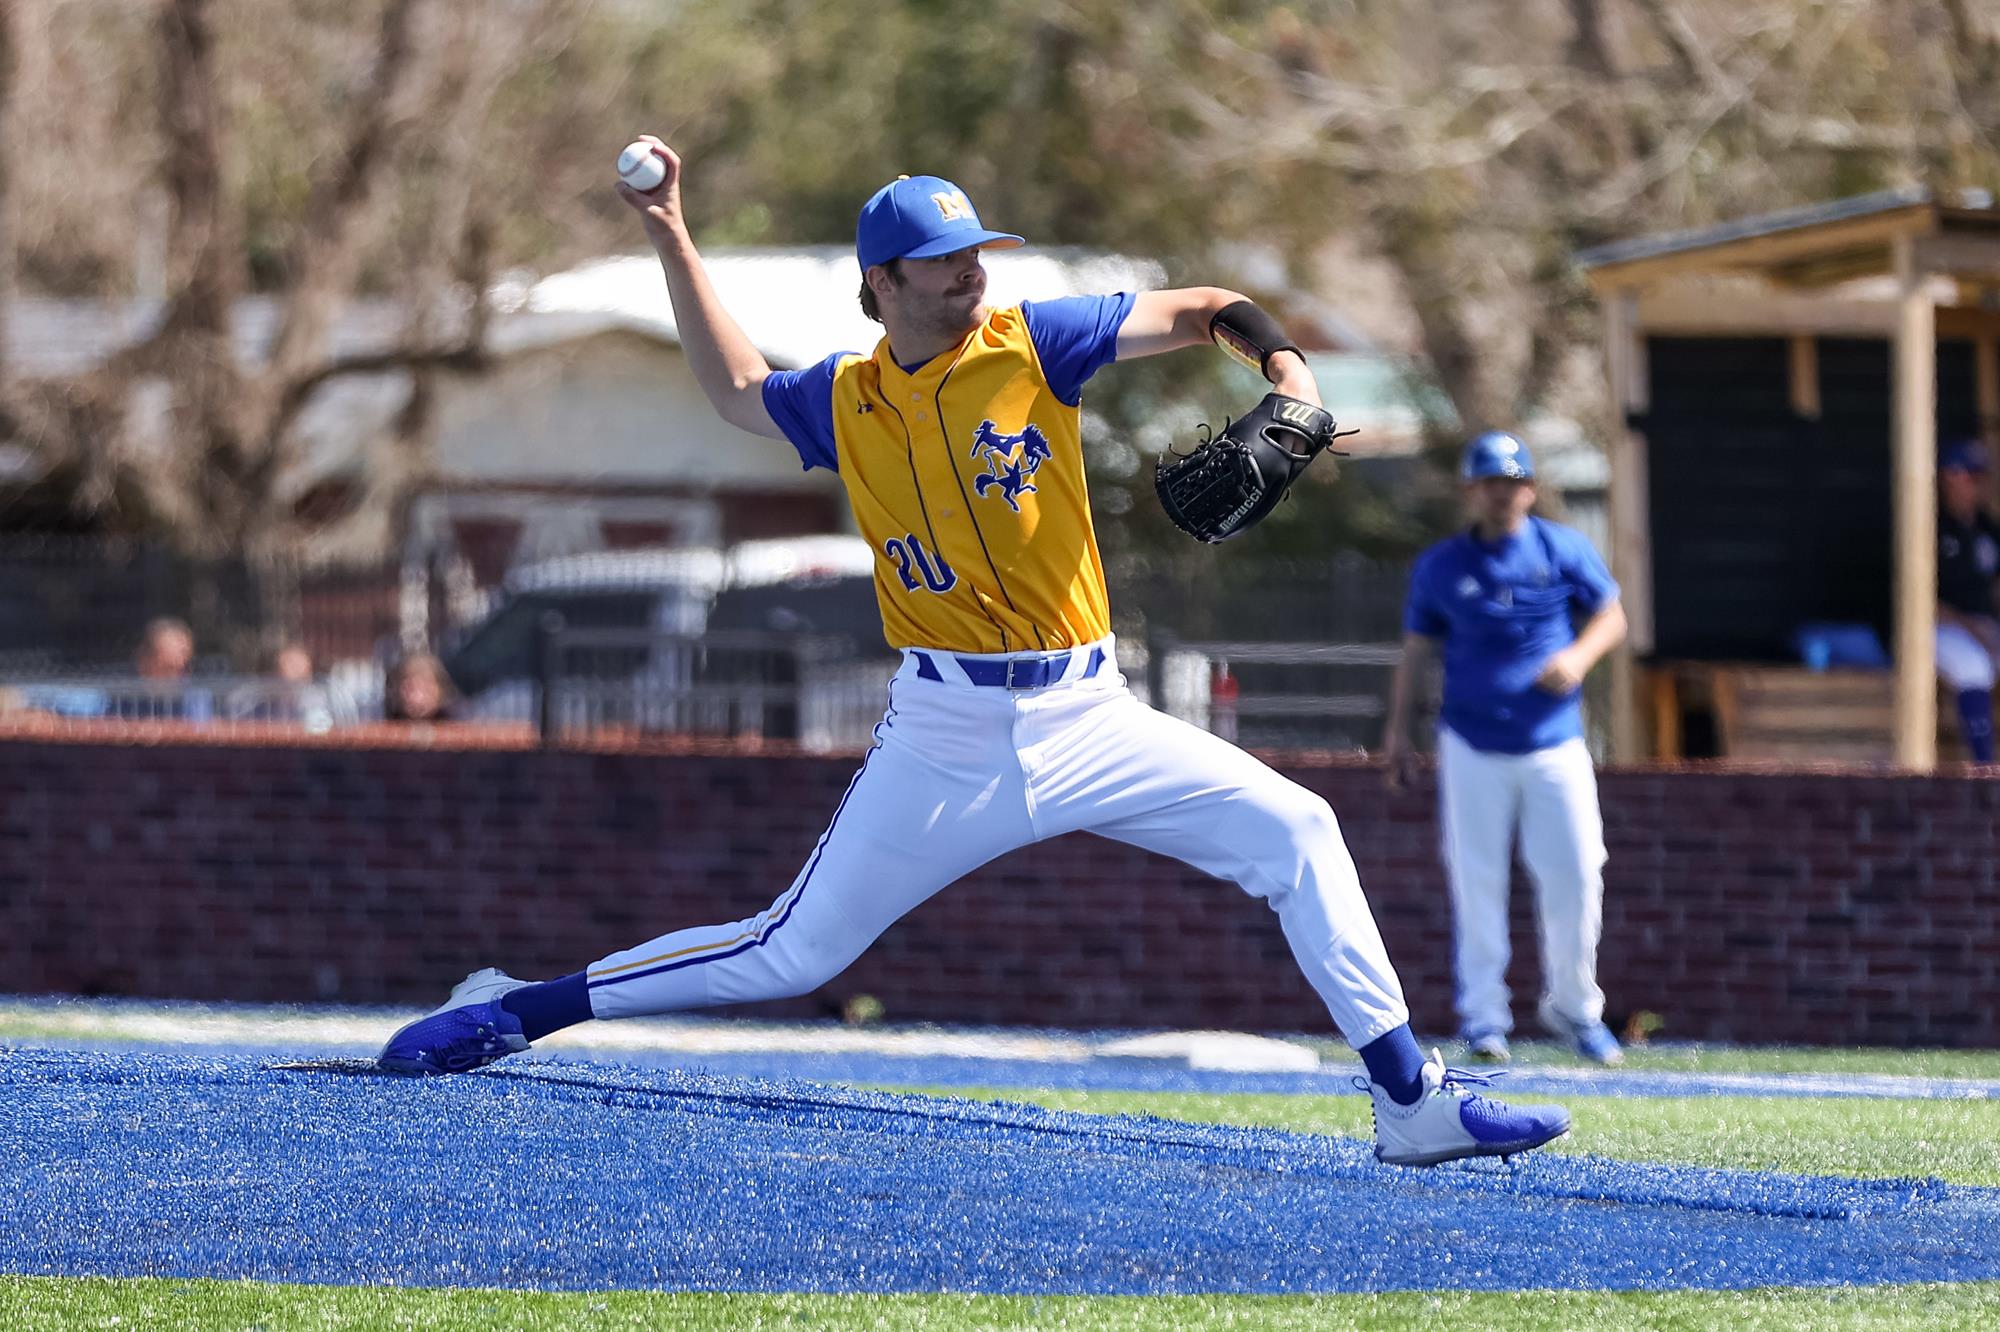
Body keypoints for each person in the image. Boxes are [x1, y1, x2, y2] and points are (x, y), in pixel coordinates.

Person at [378, 139, 1573, 1168]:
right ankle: (517, 1010)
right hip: (944, 733)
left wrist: (1288, 373)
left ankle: (1409, 1102)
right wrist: (670, 229)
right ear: (880, 284)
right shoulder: (843, 400)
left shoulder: (1031, 344)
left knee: (1298, 830)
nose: (970, 270)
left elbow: (1207, 305)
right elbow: (736, 387)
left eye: (975, 251)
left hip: (1090, 713)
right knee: (790, 952)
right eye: (943, 258)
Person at [1381, 432, 1627, 1067]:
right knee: (1477, 879)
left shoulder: (1562, 548)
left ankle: (1575, 1008)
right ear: (1471, 490)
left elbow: (1611, 615)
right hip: (1470, 742)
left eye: (1514, 482)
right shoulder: (1441, 565)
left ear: (1531, 490)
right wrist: (1398, 732)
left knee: (1576, 871)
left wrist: (1578, 657)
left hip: (1554, 741)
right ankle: (1484, 1018)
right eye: (1491, 482)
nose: (1503, 493)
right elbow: (1416, 650)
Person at [1934, 438, 2000, 763]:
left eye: (1978, 476)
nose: (1973, 484)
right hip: (1941, 628)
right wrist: (1972, 627)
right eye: (1965, 475)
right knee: (1973, 666)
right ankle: (1984, 768)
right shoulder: (1931, 528)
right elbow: (1921, 603)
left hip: (1983, 626)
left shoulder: (1988, 528)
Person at [382, 650, 458, 723]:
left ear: (440, 689)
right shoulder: (383, 723)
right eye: (410, 688)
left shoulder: (457, 723)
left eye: (426, 689)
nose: (417, 696)